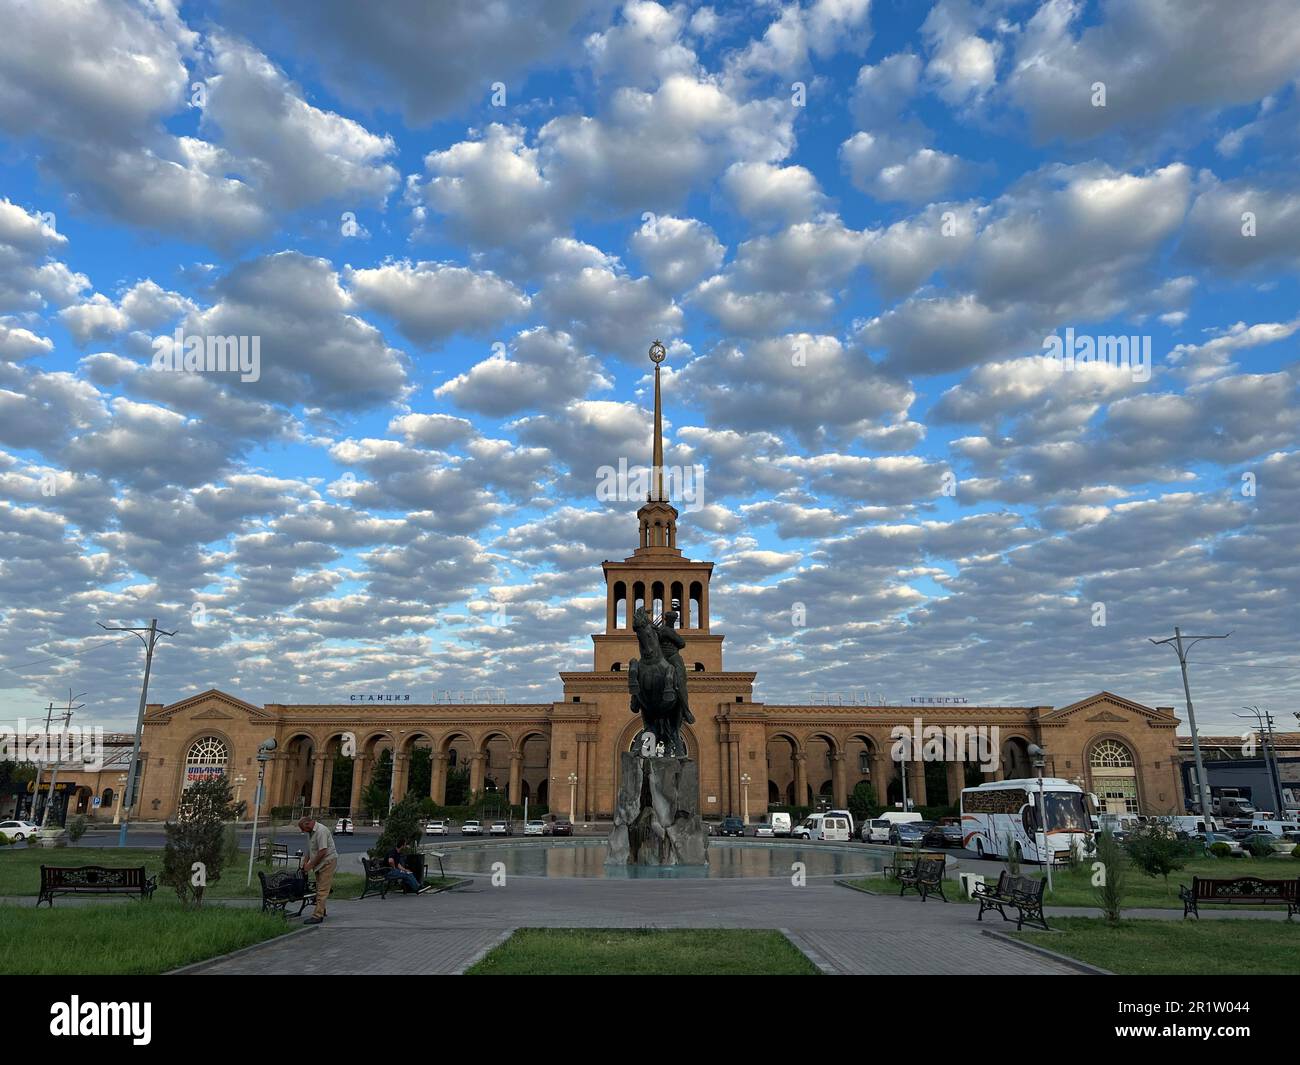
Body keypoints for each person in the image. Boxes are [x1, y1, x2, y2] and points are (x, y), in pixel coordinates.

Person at [298, 816, 338, 924]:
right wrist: (304, 862)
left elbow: (322, 851)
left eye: (302, 828)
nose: (302, 831)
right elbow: (310, 849)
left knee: (322, 889)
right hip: (320, 863)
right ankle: (322, 909)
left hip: (327, 862)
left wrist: (310, 865)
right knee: (319, 886)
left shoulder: (321, 831)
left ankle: (317, 916)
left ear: (308, 824)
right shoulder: (311, 832)